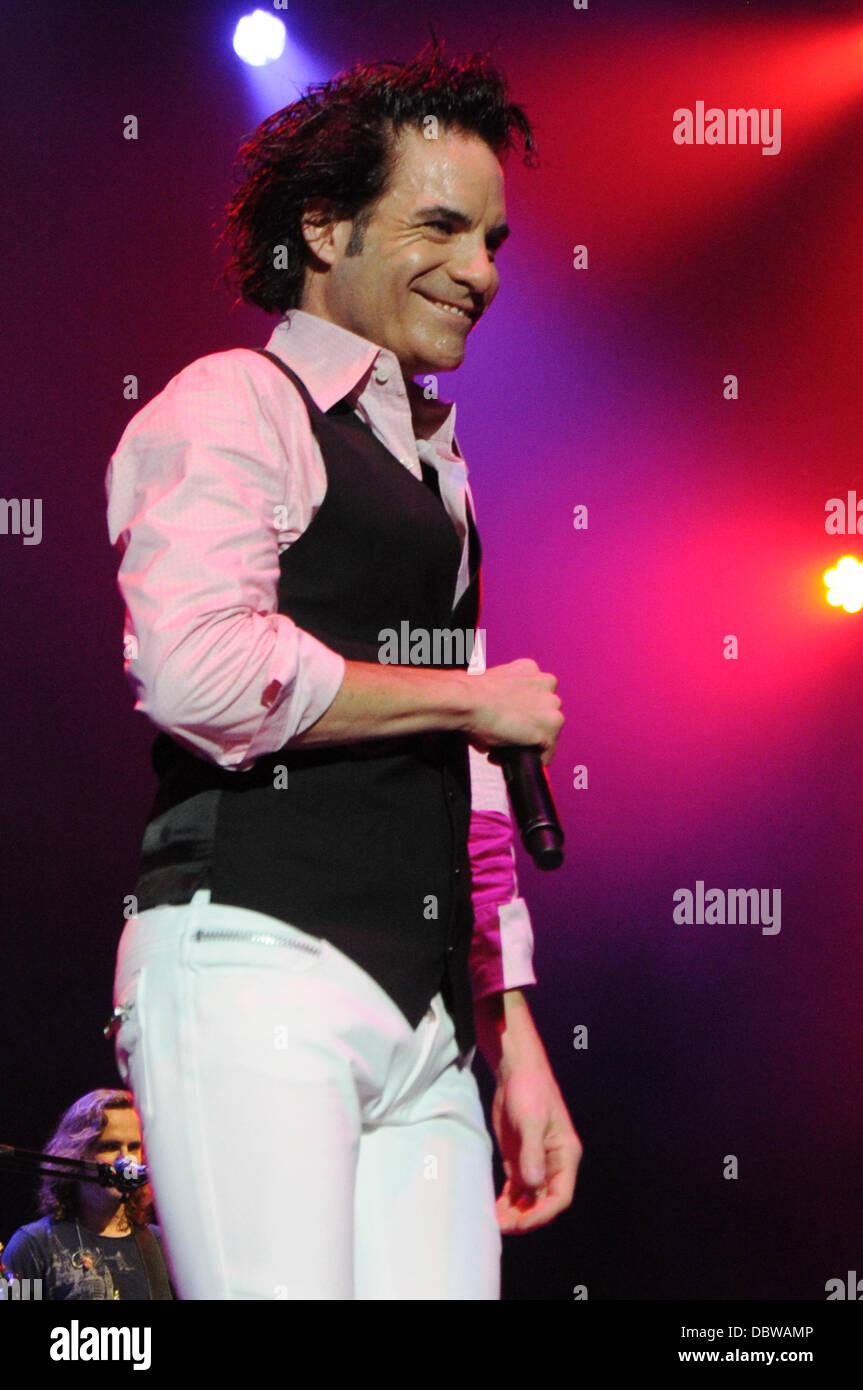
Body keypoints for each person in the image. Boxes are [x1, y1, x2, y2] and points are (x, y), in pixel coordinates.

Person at [105, 41, 582, 1300]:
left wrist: (509, 1028)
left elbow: (465, 790)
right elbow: (200, 670)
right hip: (257, 957)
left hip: (424, 1025)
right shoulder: (233, 404)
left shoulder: (446, 477)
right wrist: (471, 696)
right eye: (439, 226)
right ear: (323, 228)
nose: (479, 272)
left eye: (493, 241)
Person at [0, 1089, 173, 1300]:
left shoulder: (163, 1245)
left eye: (134, 1147)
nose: (126, 1160)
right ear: (77, 1152)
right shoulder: (33, 1245)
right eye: (110, 1146)